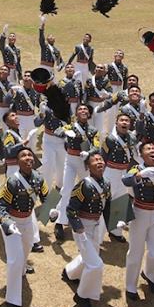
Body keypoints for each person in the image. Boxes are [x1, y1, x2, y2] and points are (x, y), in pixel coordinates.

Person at [0, 146, 49, 307]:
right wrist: (7, 223)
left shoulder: (39, 179)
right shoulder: (12, 181)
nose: (28, 158)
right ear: (17, 161)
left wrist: (53, 211)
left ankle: (22, 271)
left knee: (25, 251)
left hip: (27, 221)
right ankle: (12, 300)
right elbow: (1, 206)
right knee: (15, 259)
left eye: (30, 155)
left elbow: (47, 198)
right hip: (13, 223)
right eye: (23, 156)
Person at [62, 150, 111, 307]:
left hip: (96, 226)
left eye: (101, 159)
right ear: (88, 166)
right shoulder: (84, 185)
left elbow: (108, 208)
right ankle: (82, 296)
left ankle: (70, 272)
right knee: (95, 263)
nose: (99, 162)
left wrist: (113, 225)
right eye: (95, 160)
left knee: (89, 256)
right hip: (82, 228)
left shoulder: (107, 184)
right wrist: (78, 228)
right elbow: (71, 210)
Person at [123, 143, 154, 300]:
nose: (152, 151)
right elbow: (125, 179)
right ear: (141, 154)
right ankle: (131, 286)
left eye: (153, 149)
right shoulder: (136, 169)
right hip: (139, 213)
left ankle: (150, 275)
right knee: (135, 252)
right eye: (148, 149)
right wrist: (140, 175)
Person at [54, 103, 101, 242]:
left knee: (87, 190)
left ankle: (84, 217)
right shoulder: (70, 126)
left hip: (85, 162)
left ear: (89, 114)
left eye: (85, 109)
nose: (83, 111)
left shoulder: (93, 130)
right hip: (71, 161)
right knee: (66, 189)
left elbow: (97, 146)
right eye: (80, 109)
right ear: (76, 113)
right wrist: (65, 132)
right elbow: (57, 131)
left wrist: (89, 152)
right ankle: (60, 222)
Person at [102, 112, 138, 241]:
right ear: (116, 123)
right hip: (110, 172)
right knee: (104, 202)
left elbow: (133, 157)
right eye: (121, 120)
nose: (124, 123)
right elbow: (103, 158)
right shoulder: (110, 139)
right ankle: (98, 236)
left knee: (120, 201)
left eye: (127, 121)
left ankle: (115, 231)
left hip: (124, 173)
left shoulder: (132, 139)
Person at [8, 70, 42, 139]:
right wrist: (10, 93)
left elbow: (40, 106)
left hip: (31, 118)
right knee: (20, 140)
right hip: (20, 118)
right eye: (25, 76)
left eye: (29, 76)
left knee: (32, 141)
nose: (26, 77)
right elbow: (7, 101)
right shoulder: (17, 90)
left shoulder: (36, 92)